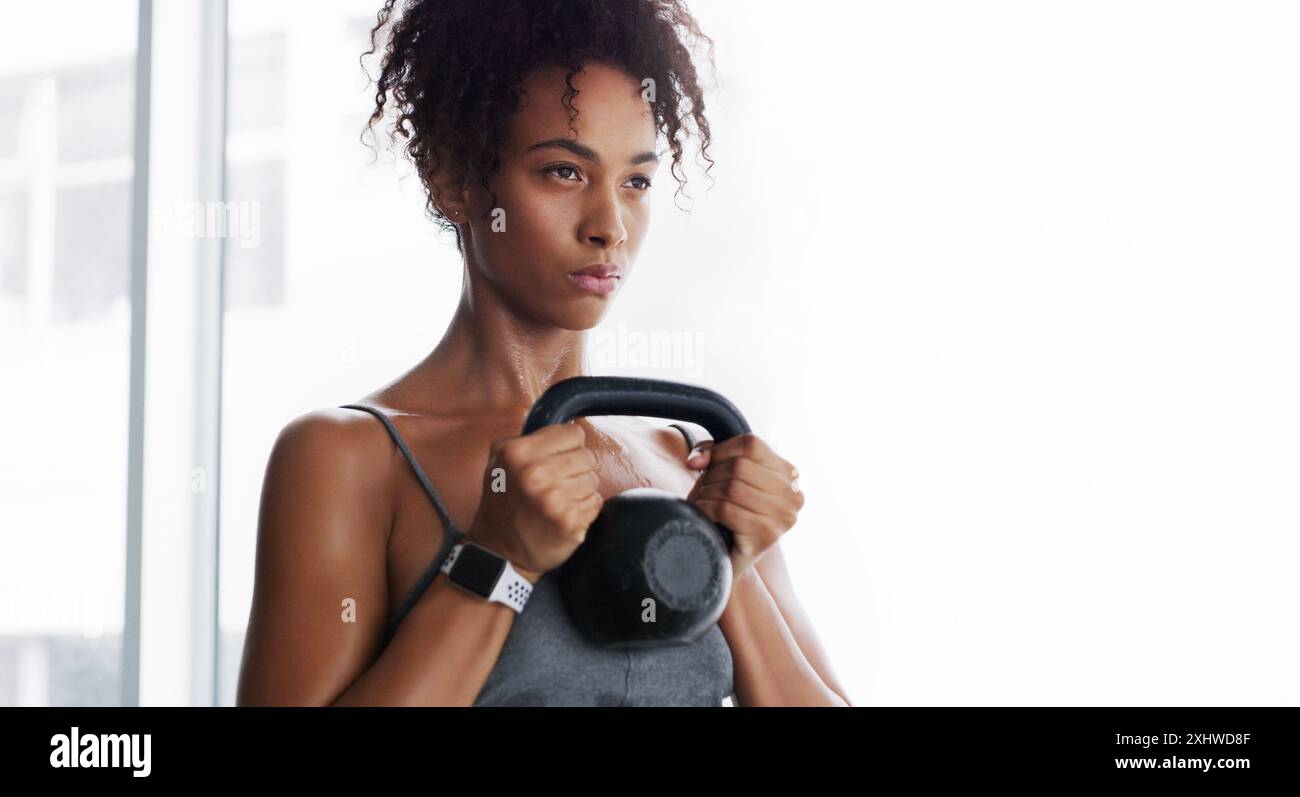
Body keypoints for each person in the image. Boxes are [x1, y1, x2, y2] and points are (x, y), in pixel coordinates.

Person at [235, 0, 850, 707]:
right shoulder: (346, 457)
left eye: (637, 181)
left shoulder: (696, 459)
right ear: (453, 179)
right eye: (564, 171)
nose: (610, 226)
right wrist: (501, 559)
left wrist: (723, 565)